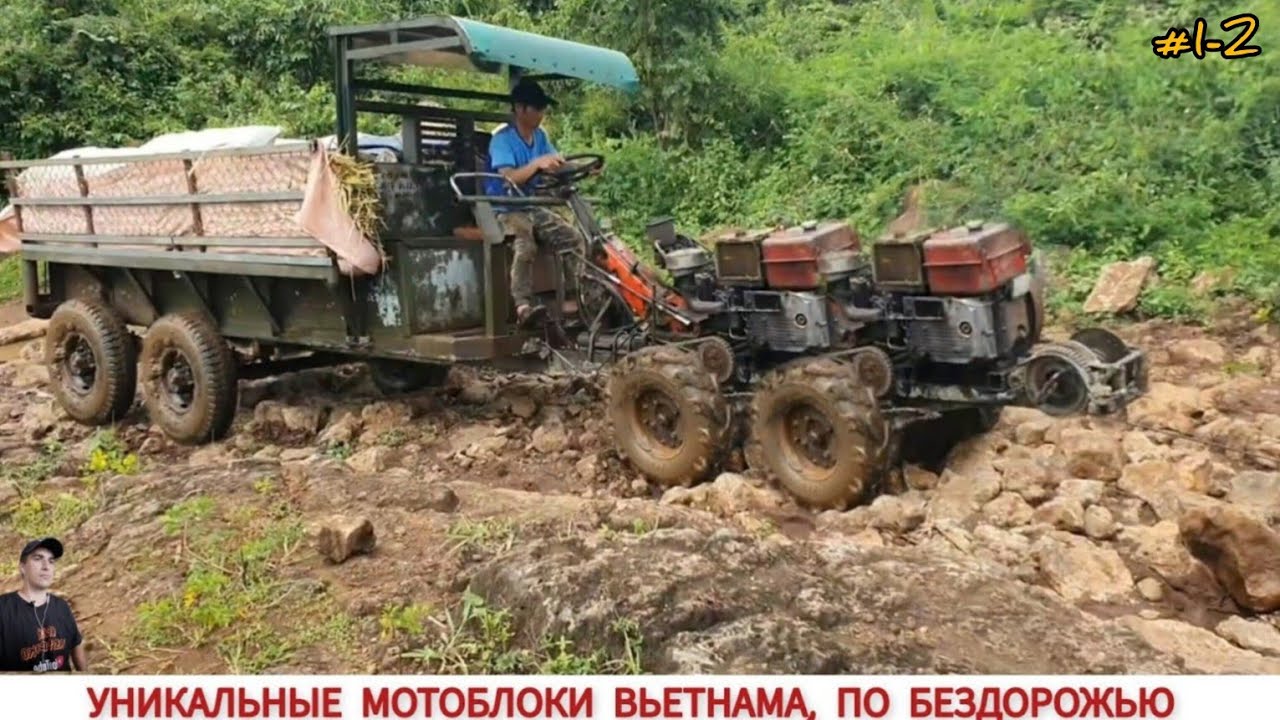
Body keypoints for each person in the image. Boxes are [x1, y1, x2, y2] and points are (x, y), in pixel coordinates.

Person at [484, 78, 586, 328]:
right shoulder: (503, 140)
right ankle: (523, 306)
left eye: (543, 108)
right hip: (505, 207)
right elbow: (509, 177)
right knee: (525, 243)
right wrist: (536, 164)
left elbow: (554, 164)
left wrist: (582, 168)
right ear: (520, 109)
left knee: (573, 237)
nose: (542, 114)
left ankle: (573, 300)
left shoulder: (540, 137)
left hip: (531, 205)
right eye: (537, 108)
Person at [0, 537, 86, 672]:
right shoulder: (3, 608)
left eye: (51, 561)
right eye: (38, 559)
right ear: (22, 567)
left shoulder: (62, 607)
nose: (46, 566)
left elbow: (76, 643)